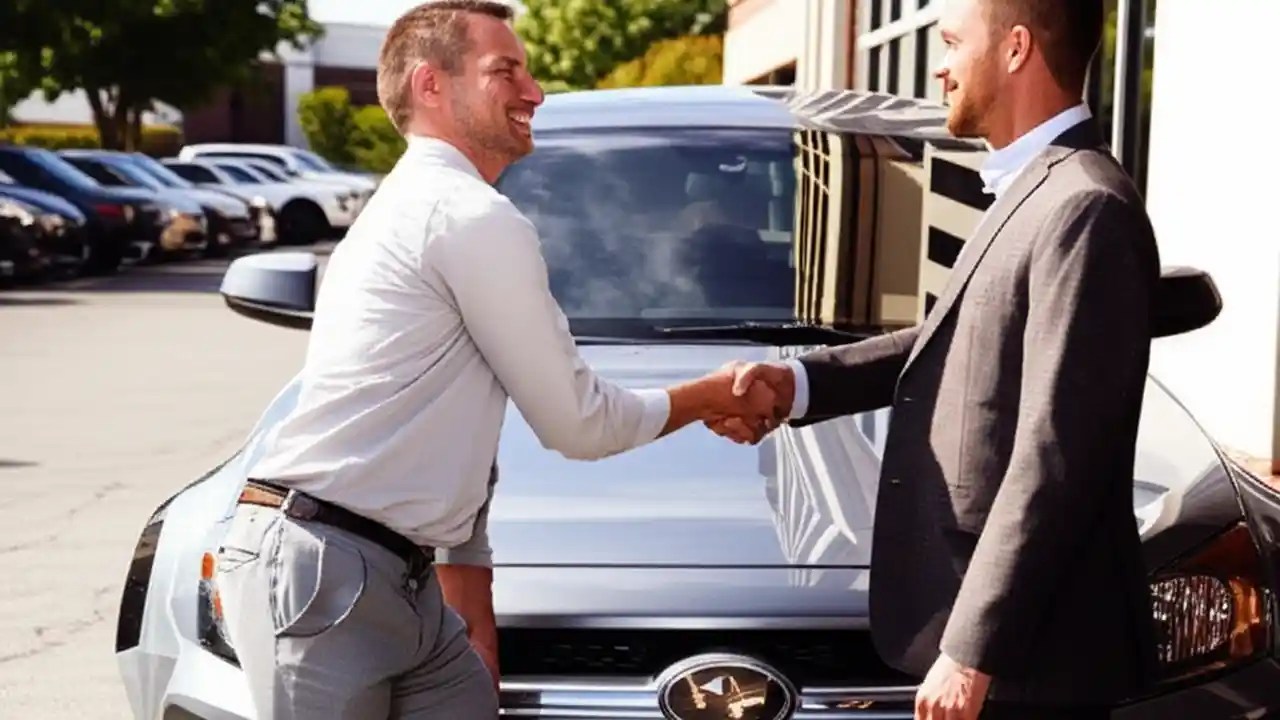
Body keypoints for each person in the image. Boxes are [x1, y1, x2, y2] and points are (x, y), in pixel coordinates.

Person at [212, 2, 775, 718]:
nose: (534, 91)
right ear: (431, 86)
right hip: (323, 568)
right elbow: (580, 424)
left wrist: (469, 596)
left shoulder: (419, 210)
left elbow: (457, 423)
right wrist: (712, 394)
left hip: (397, 578)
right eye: (505, 71)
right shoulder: (467, 216)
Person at [708, 0, 1161, 718]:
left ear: (1015, 50)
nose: (939, 65)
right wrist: (796, 384)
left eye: (952, 42)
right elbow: (951, 343)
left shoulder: (1084, 207)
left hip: (1031, 669)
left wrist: (974, 648)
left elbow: (1057, 455)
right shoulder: (1034, 188)